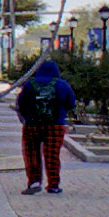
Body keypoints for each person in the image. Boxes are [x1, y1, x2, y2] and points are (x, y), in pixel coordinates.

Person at [13, 54, 78, 196]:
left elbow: (21, 104)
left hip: (32, 125)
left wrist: (26, 118)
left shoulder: (30, 84)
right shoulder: (62, 85)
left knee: (31, 154)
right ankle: (53, 185)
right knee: (52, 155)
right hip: (55, 126)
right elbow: (71, 104)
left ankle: (34, 182)